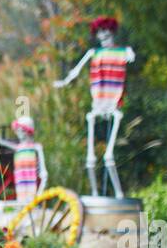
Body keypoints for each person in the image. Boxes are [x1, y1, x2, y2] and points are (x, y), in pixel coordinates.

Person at [54, 16, 135, 196]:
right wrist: (64, 81)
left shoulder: (123, 51)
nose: (103, 36)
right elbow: (76, 70)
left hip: (112, 100)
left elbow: (130, 57)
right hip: (97, 101)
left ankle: (119, 194)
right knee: (90, 159)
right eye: (99, 33)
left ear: (112, 32)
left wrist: (128, 56)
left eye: (106, 32)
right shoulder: (94, 53)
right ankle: (95, 194)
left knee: (108, 156)